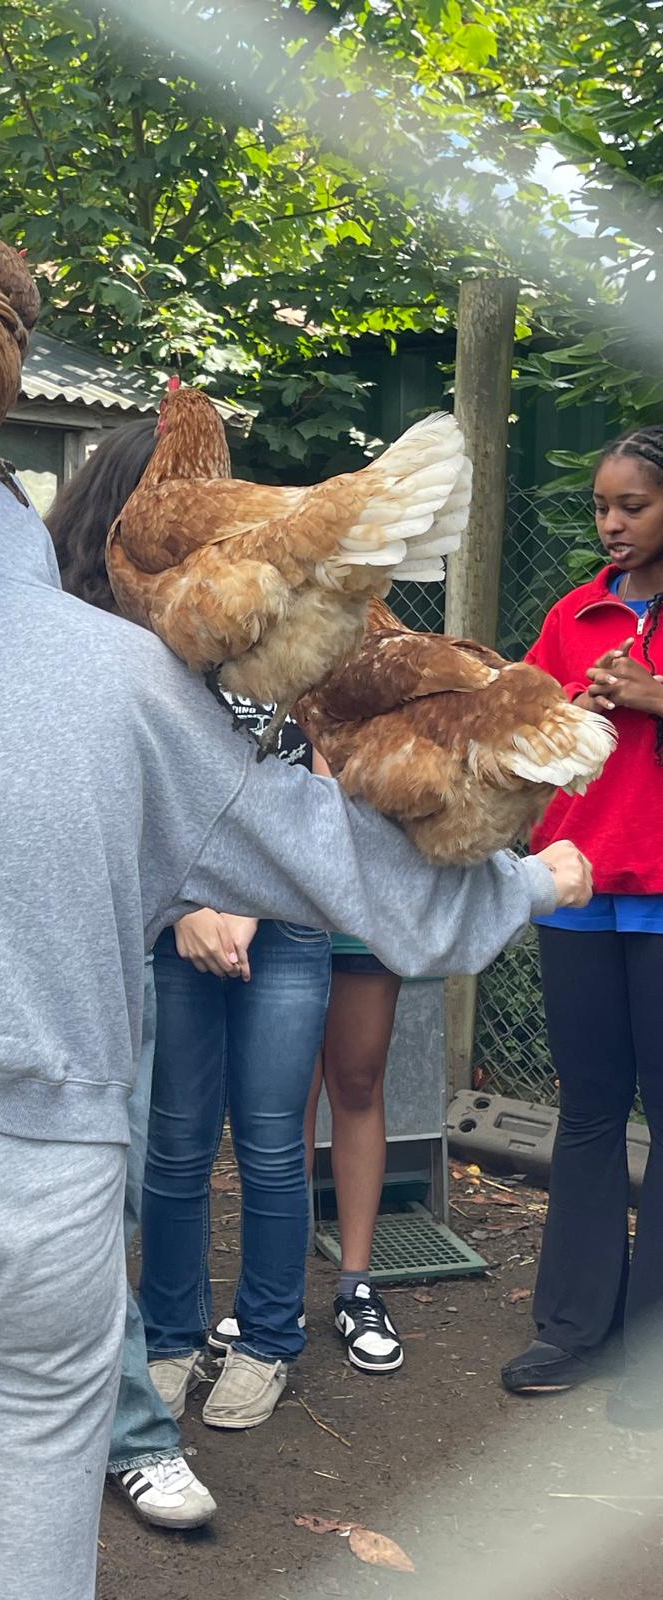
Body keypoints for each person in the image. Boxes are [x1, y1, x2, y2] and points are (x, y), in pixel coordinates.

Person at [0, 459, 589, 1600]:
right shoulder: (136, 682)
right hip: (55, 1186)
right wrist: (533, 883)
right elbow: (371, 885)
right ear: (20, 504)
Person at [48, 422, 216, 1526]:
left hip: (140, 952)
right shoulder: (63, 635)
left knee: (120, 1191)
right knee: (87, 1197)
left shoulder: (180, 628)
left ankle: (106, 1411)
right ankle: (133, 1432)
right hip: (62, 954)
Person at [502, 425, 663, 1428]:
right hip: (579, 894)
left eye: (631, 506)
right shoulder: (574, 615)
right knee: (593, 1111)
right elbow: (523, 733)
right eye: (601, 506)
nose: (609, 522)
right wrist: (561, 706)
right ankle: (571, 1325)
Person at [302, 939, 406, 1373]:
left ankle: (356, 1289)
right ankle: (273, 1293)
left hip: (366, 916)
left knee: (359, 1083)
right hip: (279, 908)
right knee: (286, 1096)